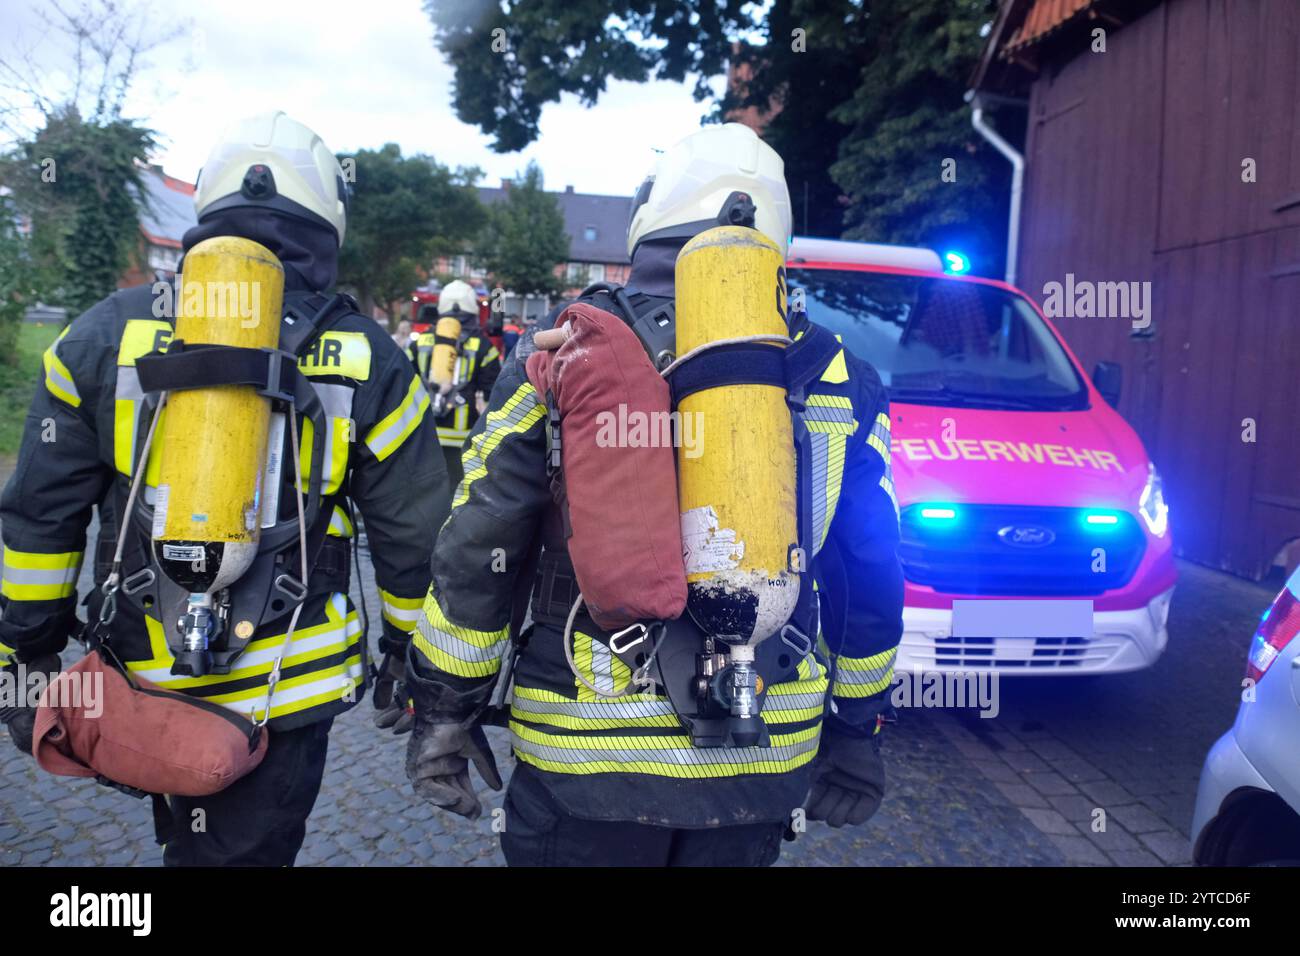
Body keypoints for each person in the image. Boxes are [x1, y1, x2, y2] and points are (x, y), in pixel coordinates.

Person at [403, 123, 904, 866]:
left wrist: (445, 707)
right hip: (759, 757)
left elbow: (482, 544)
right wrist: (858, 731)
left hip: (585, 758)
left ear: (648, 223)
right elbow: (873, 571)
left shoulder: (558, 349)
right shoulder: (840, 376)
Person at [0, 111, 447, 866]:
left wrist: (29, 651)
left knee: (188, 832)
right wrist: (409, 657)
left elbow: (41, 516)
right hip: (286, 689)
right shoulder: (368, 356)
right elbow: (414, 534)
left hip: (141, 671)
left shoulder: (104, 335)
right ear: (325, 226)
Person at [414, 279, 500, 491]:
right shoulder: (483, 346)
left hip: (425, 437)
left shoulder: (420, 342)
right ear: (472, 309)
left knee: (427, 495)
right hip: (463, 440)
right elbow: (494, 394)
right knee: (457, 495)